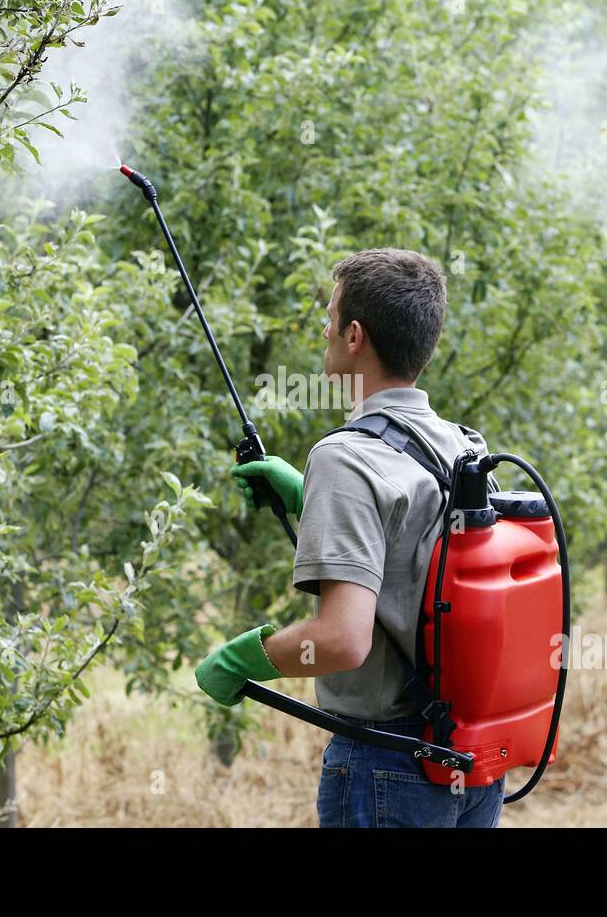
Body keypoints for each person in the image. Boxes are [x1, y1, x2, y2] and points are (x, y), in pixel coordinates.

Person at [193, 248, 505, 827]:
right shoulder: (465, 447)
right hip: (468, 758)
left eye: (330, 314)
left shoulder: (345, 457)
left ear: (355, 335)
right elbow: (417, 553)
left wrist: (243, 657)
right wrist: (307, 495)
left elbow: (341, 640)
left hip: (386, 768)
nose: (323, 326)